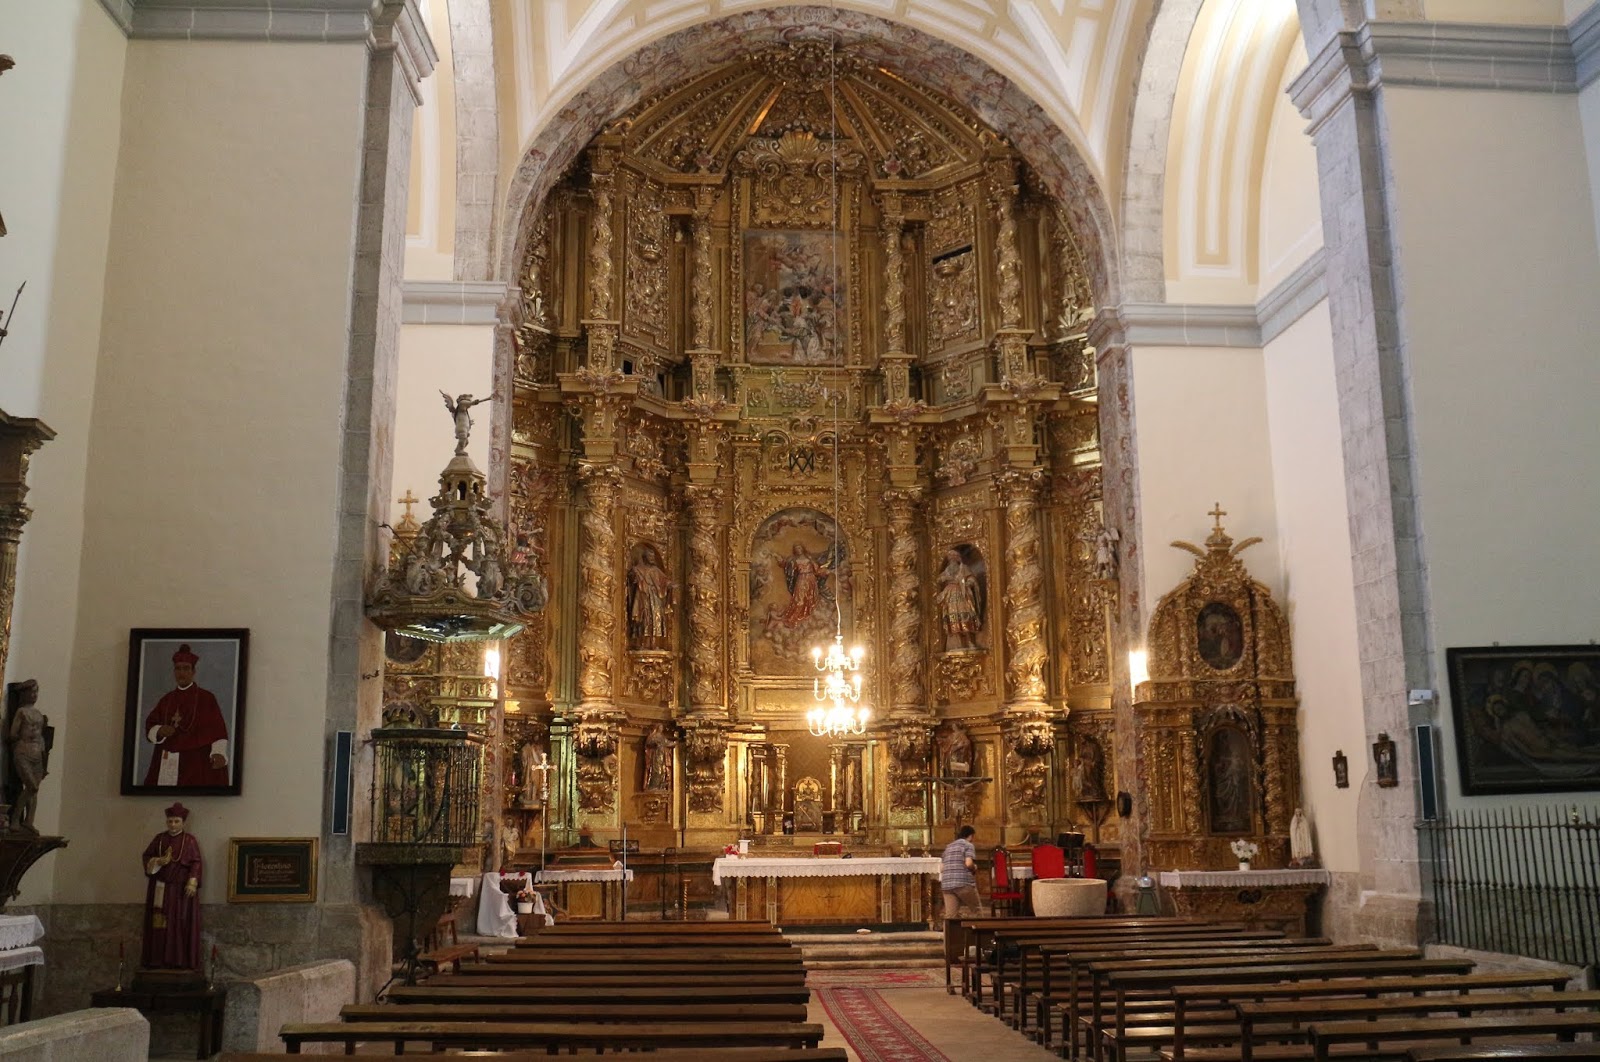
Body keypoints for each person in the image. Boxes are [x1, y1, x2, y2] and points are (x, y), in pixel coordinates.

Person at [142, 644, 231, 787]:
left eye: (185, 668)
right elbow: (151, 724)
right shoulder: (167, 699)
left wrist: (219, 753)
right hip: (167, 759)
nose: (181, 673)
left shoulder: (206, 698)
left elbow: (217, 729)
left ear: (193, 671)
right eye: (178, 669)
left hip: (196, 761)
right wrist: (159, 730)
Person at [141, 802, 203, 970]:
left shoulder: (189, 840)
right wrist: (158, 861)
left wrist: (192, 882)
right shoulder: (159, 839)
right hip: (161, 888)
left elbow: (196, 862)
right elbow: (147, 857)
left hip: (180, 890)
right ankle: (157, 960)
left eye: (176, 821)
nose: (173, 824)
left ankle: (179, 960)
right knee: (159, 922)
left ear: (183, 822)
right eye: (170, 821)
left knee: (180, 922)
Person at [7, 680, 47, 833]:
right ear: (24, 694)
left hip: (37, 753)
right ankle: (16, 818)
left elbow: (42, 736)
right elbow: (13, 733)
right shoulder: (21, 712)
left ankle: (29, 821)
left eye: (36, 692)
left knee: (34, 790)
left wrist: (43, 755)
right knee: (32, 786)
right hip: (23, 751)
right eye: (31, 692)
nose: (34, 695)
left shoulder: (38, 714)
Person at [934, 549, 982, 651]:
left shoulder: (963, 568)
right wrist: (943, 579)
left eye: (953, 557)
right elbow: (938, 579)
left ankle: (970, 642)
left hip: (962, 595)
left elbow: (971, 578)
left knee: (965, 617)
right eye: (950, 558)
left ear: (957, 558)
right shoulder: (947, 571)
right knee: (953, 619)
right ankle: (958, 643)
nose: (951, 560)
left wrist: (968, 583)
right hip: (950, 597)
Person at [627, 545, 673, 649]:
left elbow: (664, 581)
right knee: (644, 619)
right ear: (645, 557)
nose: (652, 559)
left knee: (656, 620)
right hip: (643, 598)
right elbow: (631, 580)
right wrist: (635, 578)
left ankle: (654, 644)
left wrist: (670, 585)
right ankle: (642, 643)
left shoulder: (655, 570)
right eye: (650, 557)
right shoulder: (637, 569)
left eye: (653, 557)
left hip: (655, 598)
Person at [941, 824, 980, 919]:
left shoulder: (948, 847)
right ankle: (976, 933)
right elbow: (968, 863)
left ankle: (950, 934)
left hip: (947, 884)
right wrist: (974, 867)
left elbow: (942, 868)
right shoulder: (968, 845)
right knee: (977, 911)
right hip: (962, 883)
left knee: (951, 917)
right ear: (970, 836)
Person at [644, 723, 675, 792]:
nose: (661, 729)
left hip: (662, 755)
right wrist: (655, 744)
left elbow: (667, 742)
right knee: (657, 771)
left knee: (663, 771)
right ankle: (653, 786)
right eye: (660, 727)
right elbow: (648, 743)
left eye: (662, 727)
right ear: (657, 728)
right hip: (656, 755)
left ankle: (660, 786)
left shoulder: (662, 736)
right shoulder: (654, 736)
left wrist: (674, 743)